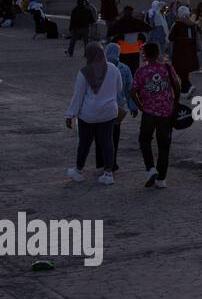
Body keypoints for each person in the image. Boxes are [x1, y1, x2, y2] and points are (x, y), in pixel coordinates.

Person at [64, 41, 124, 185]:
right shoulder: (114, 69)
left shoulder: (85, 72)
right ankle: (108, 173)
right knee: (107, 142)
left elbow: (78, 96)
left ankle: (78, 171)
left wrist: (70, 115)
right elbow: (119, 89)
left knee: (85, 142)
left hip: (89, 115)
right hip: (109, 113)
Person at [131, 41, 181, 189]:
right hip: (166, 113)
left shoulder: (141, 71)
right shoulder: (166, 67)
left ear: (145, 54)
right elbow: (177, 86)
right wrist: (174, 103)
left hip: (148, 113)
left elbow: (132, 91)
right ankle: (161, 180)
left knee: (144, 140)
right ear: (158, 53)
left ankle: (151, 168)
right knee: (164, 146)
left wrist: (140, 106)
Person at [96, 42, 136, 173]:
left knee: (101, 135)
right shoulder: (124, 68)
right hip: (117, 107)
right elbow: (129, 90)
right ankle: (112, 162)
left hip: (100, 107)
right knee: (114, 136)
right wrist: (133, 107)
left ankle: (101, 161)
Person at [168, 6, 200, 96]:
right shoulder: (193, 25)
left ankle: (188, 87)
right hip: (190, 52)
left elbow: (170, 37)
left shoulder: (177, 24)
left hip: (179, 52)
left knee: (179, 70)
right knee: (185, 71)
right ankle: (184, 91)